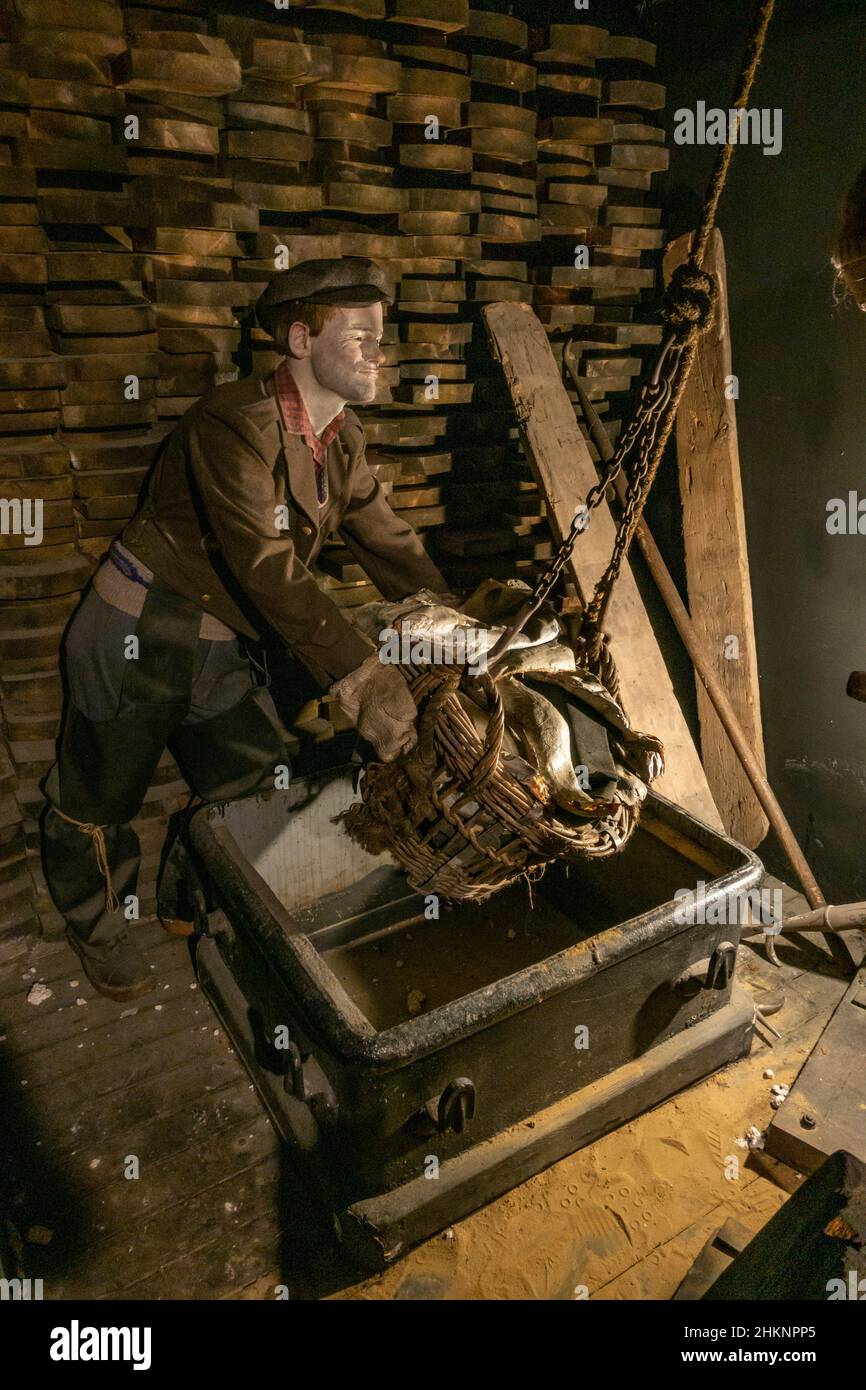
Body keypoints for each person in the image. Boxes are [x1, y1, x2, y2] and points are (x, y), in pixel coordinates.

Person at [41, 257, 447, 1002]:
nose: (377, 352)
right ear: (300, 338)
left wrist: (458, 627)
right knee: (99, 800)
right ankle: (96, 928)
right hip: (140, 629)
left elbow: (389, 542)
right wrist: (363, 676)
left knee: (253, 784)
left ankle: (184, 905)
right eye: (358, 336)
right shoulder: (235, 422)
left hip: (220, 644)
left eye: (379, 338)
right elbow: (263, 563)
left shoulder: (341, 439)